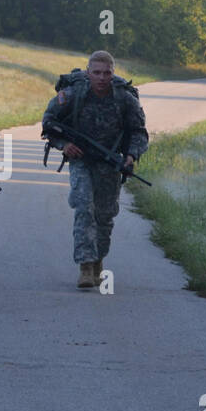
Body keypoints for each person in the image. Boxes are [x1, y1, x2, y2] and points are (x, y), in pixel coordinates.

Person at [42, 51, 148, 288]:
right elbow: (48, 122)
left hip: (110, 164)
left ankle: (99, 259)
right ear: (88, 72)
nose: (101, 78)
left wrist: (131, 156)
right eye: (96, 72)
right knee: (83, 207)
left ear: (113, 73)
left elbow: (139, 132)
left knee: (104, 215)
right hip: (81, 162)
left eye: (106, 73)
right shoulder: (72, 95)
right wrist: (64, 145)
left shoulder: (125, 99)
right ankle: (85, 266)